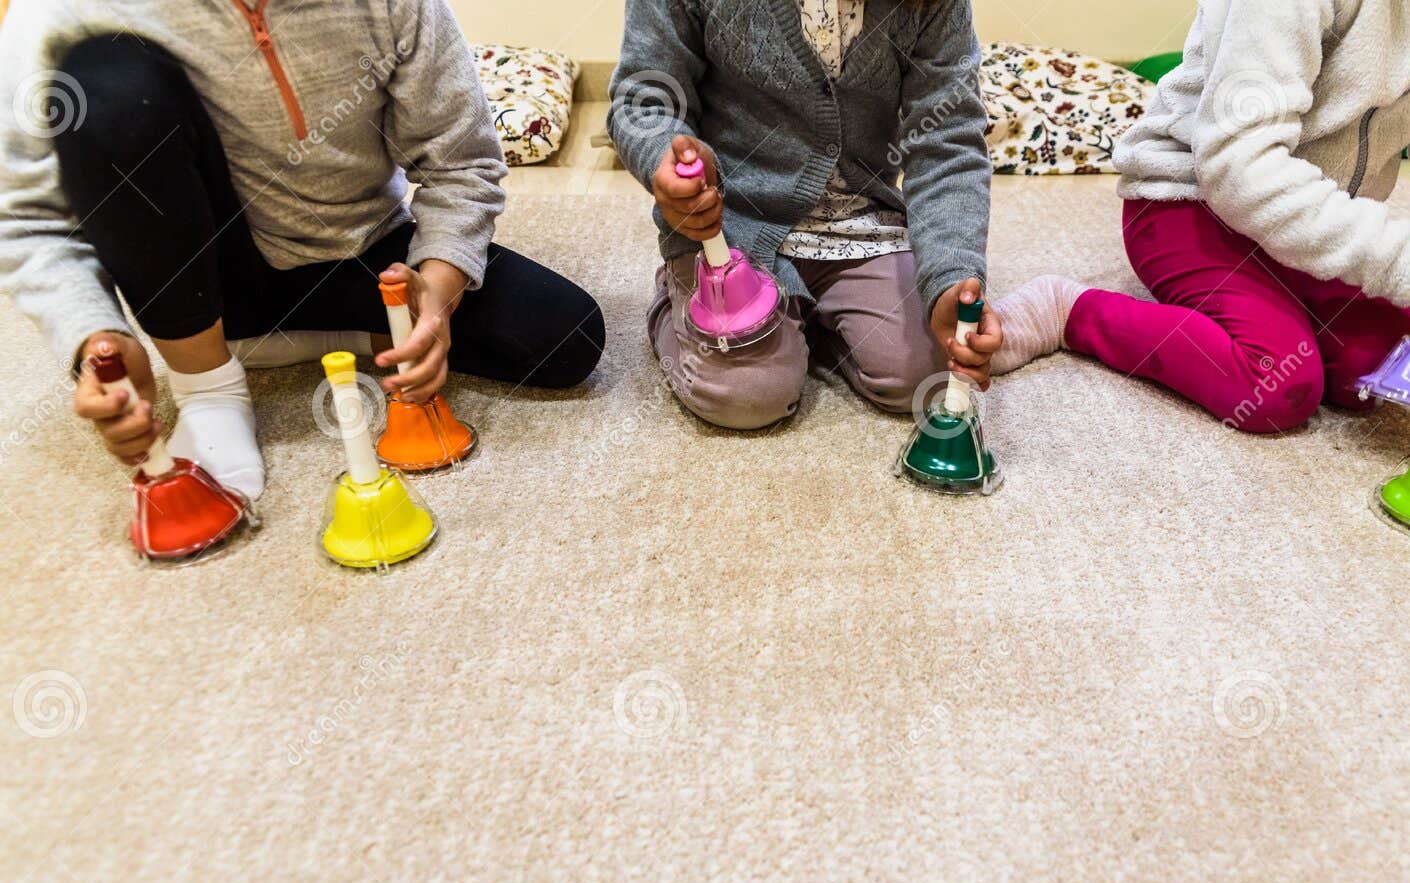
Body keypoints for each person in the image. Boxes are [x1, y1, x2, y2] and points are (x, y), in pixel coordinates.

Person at [0, 0, 605, 500]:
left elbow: (463, 162)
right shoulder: (60, 11)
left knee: (566, 337)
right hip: (204, 278)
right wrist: (93, 336)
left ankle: (312, 337)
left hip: (366, 251)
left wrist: (437, 296)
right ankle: (207, 382)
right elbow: (26, 219)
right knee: (104, 84)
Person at [993, 0, 1410, 434]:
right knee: (1277, 386)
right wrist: (1408, 261)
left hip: (1313, 219)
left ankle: (1278, 299)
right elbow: (1238, 166)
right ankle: (1070, 312)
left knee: (1376, 365)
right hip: (1191, 203)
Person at [608, 0, 1002, 431]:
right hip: (730, 230)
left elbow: (947, 142)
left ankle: (810, 327)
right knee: (749, 397)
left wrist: (948, 276)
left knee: (928, 380)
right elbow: (644, 100)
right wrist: (664, 158)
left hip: (861, 223)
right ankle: (678, 301)